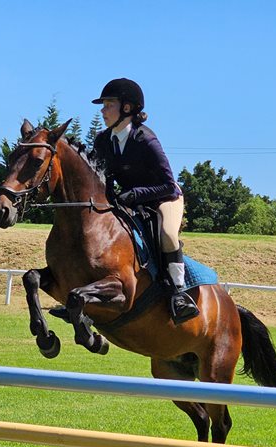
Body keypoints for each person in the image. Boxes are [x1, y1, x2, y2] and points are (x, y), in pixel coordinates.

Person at [92, 78, 199, 323]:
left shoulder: (146, 141)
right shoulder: (103, 140)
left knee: (167, 234)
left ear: (127, 108)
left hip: (165, 198)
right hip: (131, 199)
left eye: (109, 104)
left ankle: (178, 293)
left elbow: (169, 184)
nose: (102, 110)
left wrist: (135, 194)